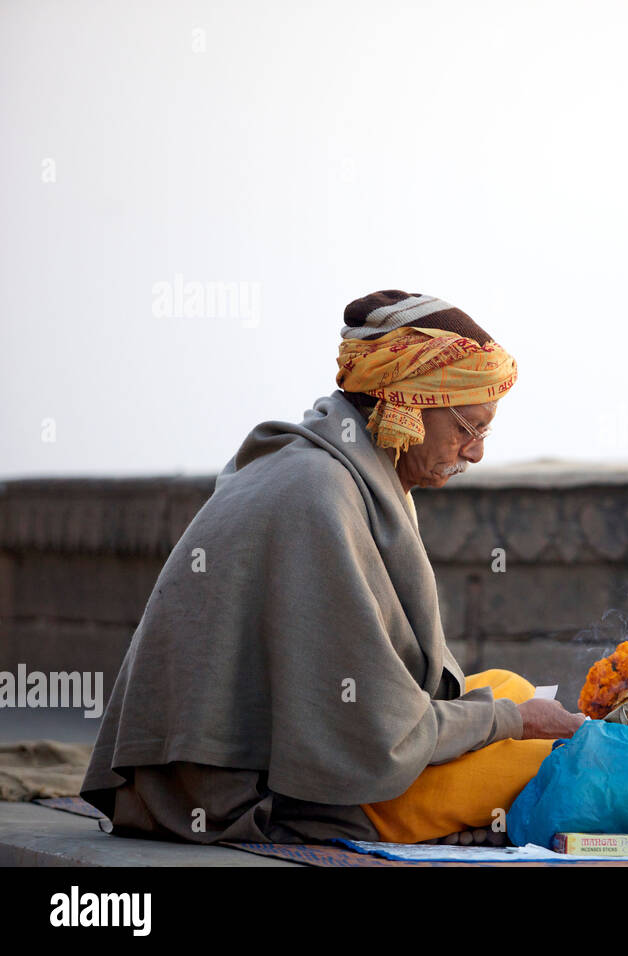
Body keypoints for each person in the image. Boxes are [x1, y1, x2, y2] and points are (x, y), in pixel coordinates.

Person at [81, 290, 585, 845]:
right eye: (470, 427)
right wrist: (511, 722)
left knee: (511, 687)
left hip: (317, 745)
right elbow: (374, 732)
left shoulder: (327, 464)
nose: (475, 454)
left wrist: (507, 714)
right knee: (545, 761)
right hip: (241, 792)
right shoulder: (319, 494)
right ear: (407, 406)